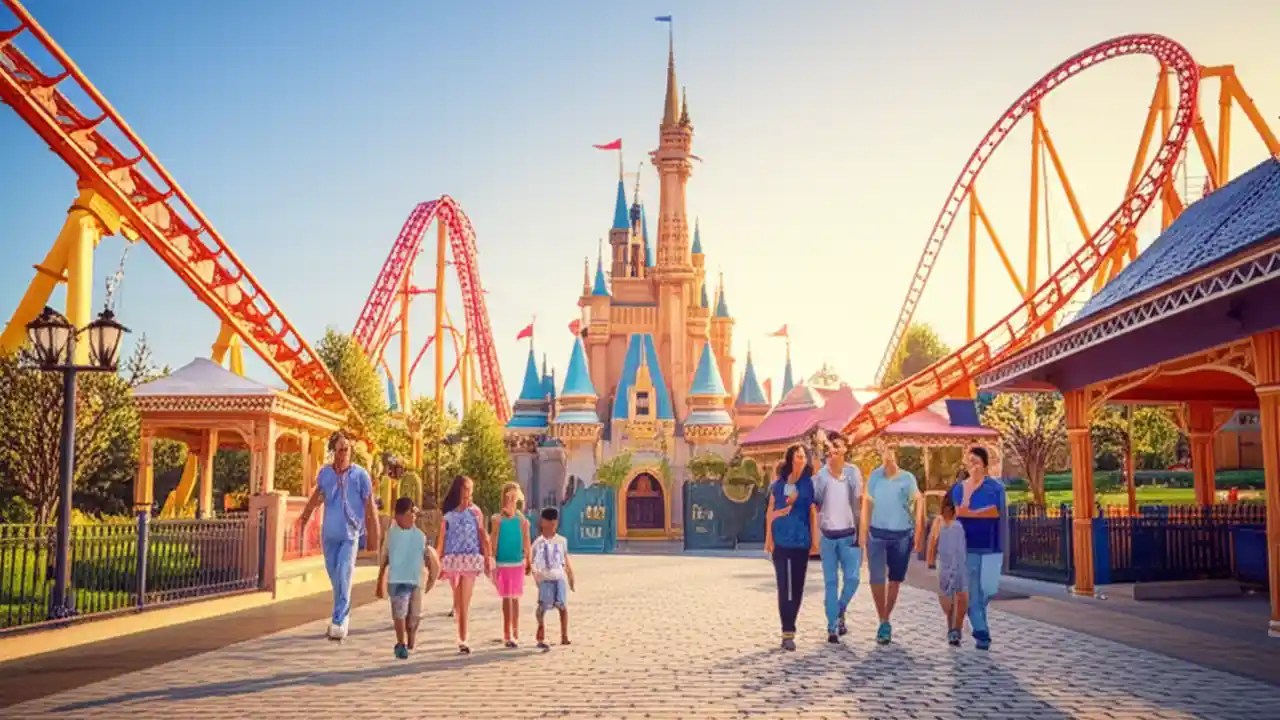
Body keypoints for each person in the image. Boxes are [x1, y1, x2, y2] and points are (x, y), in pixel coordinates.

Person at [298, 431, 379, 641]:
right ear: (334, 451)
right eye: (340, 449)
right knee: (336, 577)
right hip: (329, 535)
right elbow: (317, 496)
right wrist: (304, 518)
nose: (344, 453)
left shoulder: (360, 475)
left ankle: (340, 620)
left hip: (350, 535)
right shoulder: (326, 474)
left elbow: (370, 506)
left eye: (347, 449)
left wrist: (375, 535)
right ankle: (341, 611)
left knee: (344, 574)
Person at [860, 442, 924, 645]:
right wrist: (863, 532)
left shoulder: (907, 478)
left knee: (895, 579)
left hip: (901, 534)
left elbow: (918, 500)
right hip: (877, 534)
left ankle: (886, 618)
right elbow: (866, 504)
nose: (888, 455)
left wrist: (919, 531)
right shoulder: (874, 477)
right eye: (885, 450)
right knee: (876, 578)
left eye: (892, 451)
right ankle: (883, 620)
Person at [949, 446, 1007, 650]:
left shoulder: (996, 487)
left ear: (984, 464)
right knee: (973, 591)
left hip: (991, 545)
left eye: (976, 461)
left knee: (989, 589)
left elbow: (994, 512)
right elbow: (959, 511)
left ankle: (975, 614)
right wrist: (969, 496)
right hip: (968, 546)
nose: (972, 466)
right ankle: (981, 631)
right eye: (969, 462)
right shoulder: (959, 488)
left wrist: (971, 513)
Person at [764, 443, 820, 651]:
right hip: (781, 540)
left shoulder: (808, 485)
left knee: (797, 587)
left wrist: (815, 541)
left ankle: (791, 625)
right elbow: (770, 512)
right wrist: (768, 539)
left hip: (801, 540)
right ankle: (786, 631)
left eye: (804, 456)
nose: (801, 459)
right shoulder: (777, 485)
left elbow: (811, 512)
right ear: (790, 459)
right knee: (784, 586)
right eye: (798, 456)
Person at [813, 430, 863, 644]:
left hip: (849, 535)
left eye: (838, 446)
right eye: (831, 446)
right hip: (828, 537)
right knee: (831, 582)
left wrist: (862, 533)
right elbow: (815, 503)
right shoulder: (821, 475)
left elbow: (859, 503)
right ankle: (832, 625)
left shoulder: (853, 472)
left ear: (845, 449)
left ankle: (840, 609)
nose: (834, 449)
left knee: (853, 579)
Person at [375, 497, 442, 658]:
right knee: (400, 613)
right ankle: (401, 643)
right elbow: (384, 558)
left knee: (414, 615)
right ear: (398, 516)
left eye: (413, 513)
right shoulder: (391, 535)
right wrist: (380, 580)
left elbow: (428, 557)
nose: (412, 517)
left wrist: (431, 577)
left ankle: (411, 636)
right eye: (408, 514)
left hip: (416, 580)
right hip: (397, 580)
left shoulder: (420, 535)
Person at [436, 474, 491, 654]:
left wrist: (487, 558)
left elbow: (483, 535)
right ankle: (460, 632)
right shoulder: (448, 516)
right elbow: (441, 540)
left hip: (470, 560)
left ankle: (463, 638)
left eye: (470, 489)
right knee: (458, 600)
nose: (469, 492)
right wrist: (437, 562)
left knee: (465, 600)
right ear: (458, 490)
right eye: (466, 488)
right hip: (452, 560)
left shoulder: (475, 513)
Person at [490, 482, 533, 648]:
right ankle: (507, 634)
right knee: (506, 598)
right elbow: (493, 540)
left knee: (515, 598)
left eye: (514, 497)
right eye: (508, 496)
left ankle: (515, 632)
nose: (511, 500)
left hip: (517, 562)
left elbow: (527, 540)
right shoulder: (497, 519)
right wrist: (491, 559)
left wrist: (529, 559)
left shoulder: (522, 520)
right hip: (502, 562)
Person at [926, 492, 968, 646]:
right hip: (944, 564)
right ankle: (951, 628)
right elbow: (932, 541)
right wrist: (930, 560)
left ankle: (956, 630)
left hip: (961, 563)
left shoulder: (961, 521)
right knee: (947, 598)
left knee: (961, 596)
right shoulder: (939, 521)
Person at [530, 507, 575, 650]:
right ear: (543, 522)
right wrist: (536, 575)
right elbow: (532, 561)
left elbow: (565, 559)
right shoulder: (538, 542)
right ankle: (541, 631)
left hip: (559, 577)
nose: (551, 525)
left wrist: (570, 576)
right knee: (543, 606)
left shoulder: (562, 541)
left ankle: (564, 635)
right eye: (549, 522)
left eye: (554, 522)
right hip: (545, 578)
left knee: (562, 606)